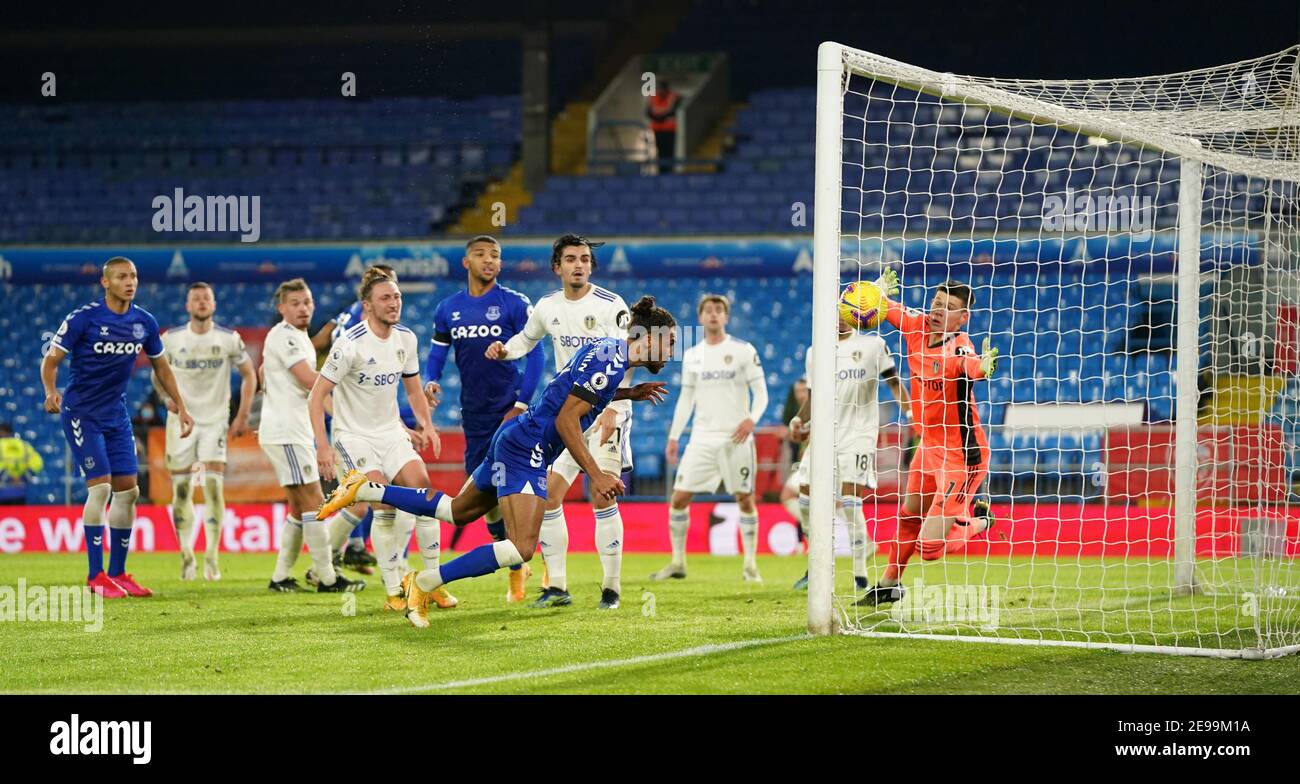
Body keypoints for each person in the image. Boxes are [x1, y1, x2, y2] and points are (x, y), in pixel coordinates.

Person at [319, 296, 676, 629]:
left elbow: (573, 389)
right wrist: (596, 474)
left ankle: (363, 487)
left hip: (514, 439)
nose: (672, 350)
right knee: (521, 548)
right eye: (669, 342)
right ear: (646, 338)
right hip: (528, 450)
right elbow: (568, 421)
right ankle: (424, 582)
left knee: (457, 511)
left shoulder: (606, 350)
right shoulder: (611, 362)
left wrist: (630, 392)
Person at [485, 234, 634, 609]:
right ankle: (558, 587)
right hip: (567, 413)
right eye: (571, 259)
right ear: (557, 267)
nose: (579, 265)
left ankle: (611, 589)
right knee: (550, 493)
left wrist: (615, 409)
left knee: (601, 495)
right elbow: (525, 340)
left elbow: (627, 358)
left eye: (584, 259)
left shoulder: (610, 305)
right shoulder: (547, 306)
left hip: (606, 409)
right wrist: (505, 351)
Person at [40, 257, 195, 598]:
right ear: (105, 282)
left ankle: (119, 573)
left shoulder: (144, 322)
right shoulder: (84, 319)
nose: (130, 282)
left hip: (116, 416)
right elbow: (51, 360)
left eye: (134, 276)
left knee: (129, 492)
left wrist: (181, 405)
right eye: (122, 277)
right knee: (101, 490)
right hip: (82, 413)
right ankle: (95, 577)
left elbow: (163, 368)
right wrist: (51, 391)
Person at [310, 267, 453, 612]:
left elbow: (414, 389)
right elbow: (316, 397)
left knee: (426, 496)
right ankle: (393, 592)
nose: (394, 303)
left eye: (397, 297)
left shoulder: (406, 338)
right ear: (368, 305)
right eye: (385, 298)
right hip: (354, 437)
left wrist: (427, 425)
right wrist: (323, 447)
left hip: (390, 432)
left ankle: (431, 583)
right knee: (383, 505)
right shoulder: (349, 345)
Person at [859, 270, 999, 606]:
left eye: (947, 307)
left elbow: (972, 366)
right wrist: (874, 292)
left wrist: (984, 367)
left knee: (929, 549)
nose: (937, 310)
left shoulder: (959, 348)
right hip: (928, 447)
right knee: (908, 517)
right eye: (936, 303)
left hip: (962, 457)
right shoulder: (916, 326)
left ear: (962, 317)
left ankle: (979, 520)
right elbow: (877, 307)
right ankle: (889, 584)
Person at [423, 235, 545, 602]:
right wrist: (431, 379)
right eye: (481, 254)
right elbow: (437, 353)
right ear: (466, 262)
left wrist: (522, 404)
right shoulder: (448, 308)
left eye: (495, 255)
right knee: (486, 498)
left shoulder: (514, 304)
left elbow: (536, 356)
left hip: (509, 413)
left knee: (511, 492)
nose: (489, 261)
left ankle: (529, 575)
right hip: (473, 415)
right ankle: (516, 566)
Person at [787, 306, 910, 592]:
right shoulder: (815, 351)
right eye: (834, 313)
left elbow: (893, 382)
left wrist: (913, 414)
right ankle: (822, 556)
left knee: (850, 498)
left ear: (855, 317)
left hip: (859, 433)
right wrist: (797, 420)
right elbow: (815, 396)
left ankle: (860, 573)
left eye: (845, 313)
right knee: (804, 499)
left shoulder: (872, 345)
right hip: (824, 435)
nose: (839, 318)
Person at [651, 294, 769, 582]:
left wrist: (751, 420)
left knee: (744, 498)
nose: (714, 314)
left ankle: (751, 565)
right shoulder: (692, 356)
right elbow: (685, 399)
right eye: (708, 310)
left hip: (736, 438)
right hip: (702, 438)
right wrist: (674, 436)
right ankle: (678, 562)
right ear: (701, 317)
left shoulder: (743, 350)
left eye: (719, 310)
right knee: (678, 499)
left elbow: (762, 394)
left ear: (726, 317)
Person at [258, 278, 364, 594]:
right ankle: (327, 578)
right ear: (281, 309)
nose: (303, 308)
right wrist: (349, 395)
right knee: (315, 501)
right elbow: (308, 380)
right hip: (289, 431)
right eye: (295, 303)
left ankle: (280, 577)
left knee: (297, 507)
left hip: (289, 428)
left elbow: (266, 373)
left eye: (307, 302)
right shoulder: (286, 337)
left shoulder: (296, 338)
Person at [152, 282, 256, 581]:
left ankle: (211, 555)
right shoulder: (171, 339)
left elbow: (249, 374)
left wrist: (242, 415)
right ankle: (186, 554)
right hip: (182, 421)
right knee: (182, 489)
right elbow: (158, 374)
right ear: (188, 305)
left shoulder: (228, 339)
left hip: (214, 421)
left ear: (214, 304)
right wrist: (166, 399)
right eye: (195, 298)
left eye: (206, 298)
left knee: (213, 487)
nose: (201, 302)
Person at [0, 422, 42, 505]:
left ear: (2, 431)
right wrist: (23, 477)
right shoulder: (24, 445)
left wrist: (8, 478)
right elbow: (38, 463)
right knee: (19, 515)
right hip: (20, 492)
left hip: (2, 492)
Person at [646, 80, 682, 174]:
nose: (662, 91)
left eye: (664, 89)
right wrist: (661, 116)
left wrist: (659, 116)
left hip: (669, 130)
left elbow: (673, 111)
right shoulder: (653, 97)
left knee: (669, 152)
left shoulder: (673, 97)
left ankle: (669, 171)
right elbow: (649, 112)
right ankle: (662, 171)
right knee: (660, 151)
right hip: (657, 130)